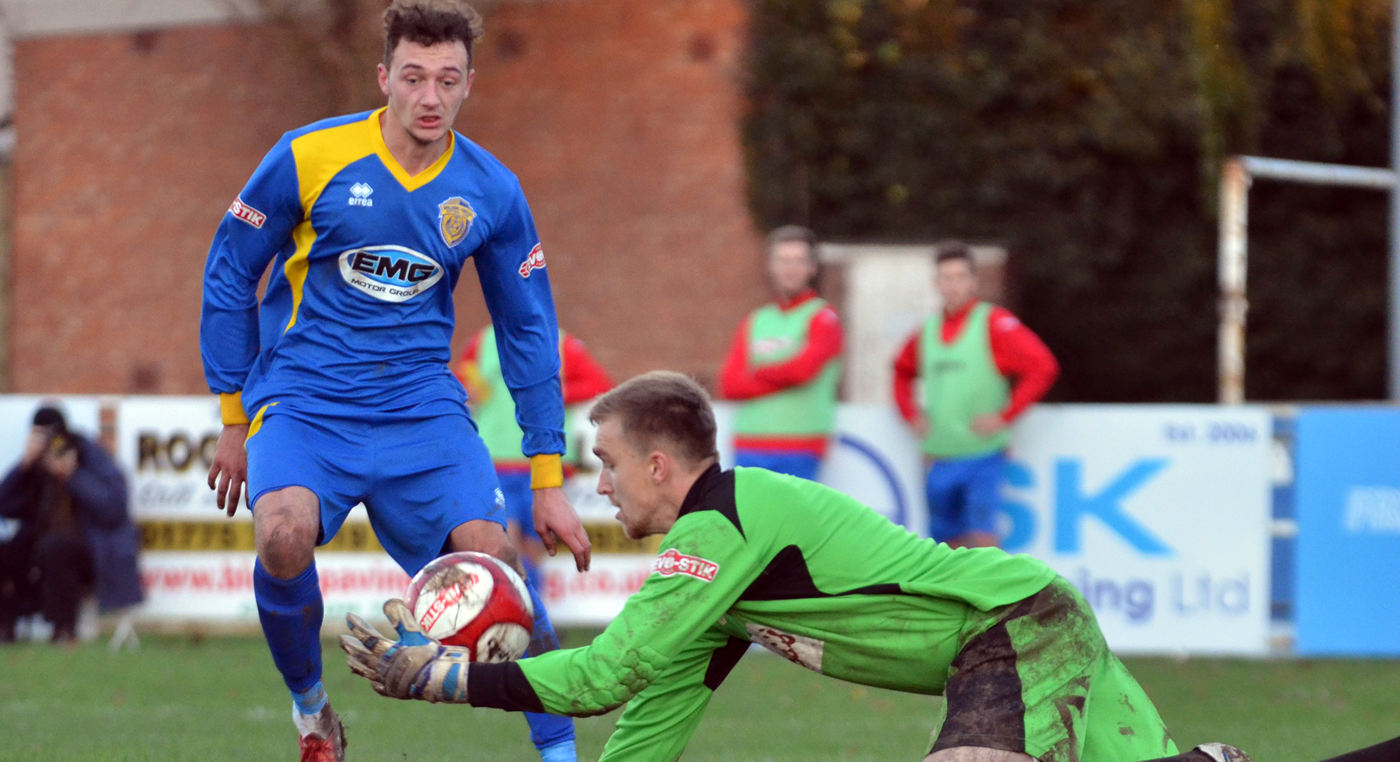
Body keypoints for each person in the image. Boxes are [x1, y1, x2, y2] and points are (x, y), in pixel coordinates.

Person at [341, 371, 1248, 762]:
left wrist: (445, 679)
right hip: (1015, 630)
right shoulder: (717, 578)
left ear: (658, 466)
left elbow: (602, 676)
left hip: (1013, 625)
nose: (600, 485)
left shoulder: (724, 526)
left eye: (606, 464)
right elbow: (648, 721)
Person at [199, 0, 591, 761]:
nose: (430, 97)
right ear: (384, 78)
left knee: (498, 565)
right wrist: (233, 417)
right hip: (306, 402)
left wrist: (547, 475)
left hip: (420, 410)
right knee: (282, 536)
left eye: (448, 79)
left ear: (469, 83)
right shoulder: (308, 156)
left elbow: (527, 328)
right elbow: (228, 272)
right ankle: (313, 713)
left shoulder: (492, 189)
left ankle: (561, 753)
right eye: (414, 77)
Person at [893, 246, 1058, 548]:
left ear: (973, 281)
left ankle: (992, 583)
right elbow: (900, 370)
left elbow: (1042, 367)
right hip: (939, 454)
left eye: (960, 277)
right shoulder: (927, 331)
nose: (953, 285)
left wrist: (1005, 415)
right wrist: (910, 414)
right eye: (946, 278)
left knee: (983, 537)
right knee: (945, 544)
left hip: (982, 453)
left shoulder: (994, 324)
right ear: (936, 283)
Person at [456, 325, 613, 587]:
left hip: (546, 462)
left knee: (533, 544)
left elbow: (599, 384)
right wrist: (467, 390)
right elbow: (459, 383)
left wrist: (556, 393)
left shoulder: (562, 343)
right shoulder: (482, 341)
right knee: (503, 541)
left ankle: (529, 602)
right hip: (494, 460)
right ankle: (524, 602)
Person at [0, 405, 142, 643]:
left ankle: (64, 630)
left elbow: (113, 510)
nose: (48, 446)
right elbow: (4, 505)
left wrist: (73, 475)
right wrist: (23, 465)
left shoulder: (91, 456)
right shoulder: (34, 467)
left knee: (54, 548)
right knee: (7, 552)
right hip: (40, 544)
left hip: (91, 548)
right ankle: (5, 627)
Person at [718, 225, 842, 481]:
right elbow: (730, 384)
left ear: (812, 267)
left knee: (794, 510)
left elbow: (802, 371)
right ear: (770, 266)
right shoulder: (755, 321)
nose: (790, 269)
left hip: (800, 445)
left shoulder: (823, 317)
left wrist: (757, 373)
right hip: (749, 443)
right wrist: (783, 374)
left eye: (798, 261)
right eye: (783, 261)